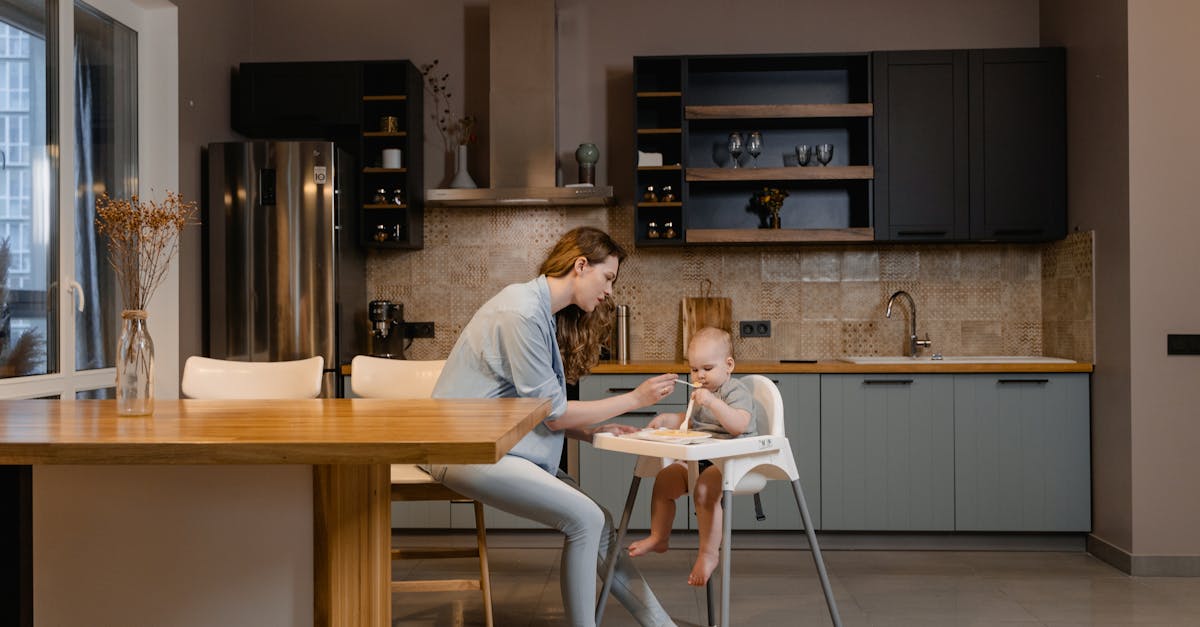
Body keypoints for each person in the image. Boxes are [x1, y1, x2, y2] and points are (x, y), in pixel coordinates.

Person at [427, 226, 679, 627]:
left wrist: (593, 431)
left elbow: (531, 407)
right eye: (608, 277)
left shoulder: (537, 311)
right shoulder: (522, 312)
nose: (610, 290)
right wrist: (636, 399)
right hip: (462, 449)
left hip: (493, 446)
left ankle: (661, 625)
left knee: (599, 522)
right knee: (586, 519)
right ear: (581, 265)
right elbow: (555, 414)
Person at [627, 326, 763, 587]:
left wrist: (712, 402)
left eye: (707, 369)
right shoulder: (701, 395)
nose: (699, 375)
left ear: (729, 365)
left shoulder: (735, 392)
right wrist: (669, 419)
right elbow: (693, 424)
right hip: (702, 458)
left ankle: (709, 554)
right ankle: (659, 536)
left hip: (733, 460)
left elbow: (738, 425)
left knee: (704, 489)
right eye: (694, 369)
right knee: (665, 478)